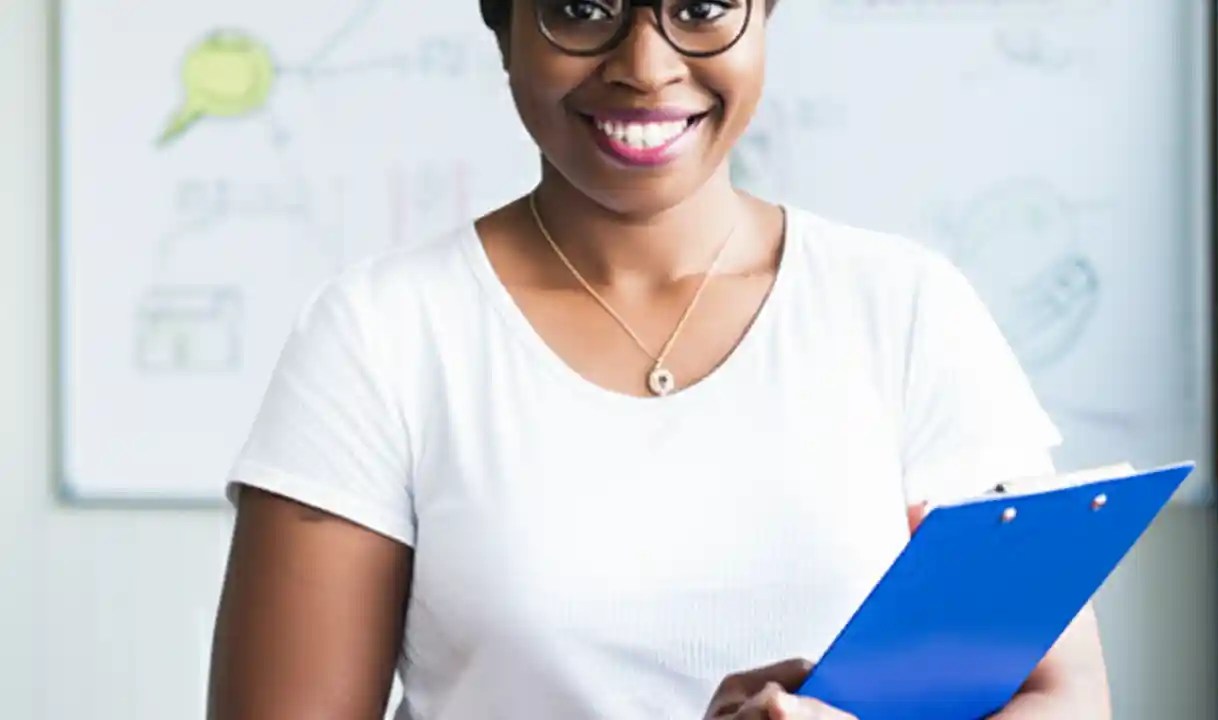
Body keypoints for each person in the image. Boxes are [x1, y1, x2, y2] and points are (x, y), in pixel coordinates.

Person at [207, 1, 1113, 718]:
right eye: (582, 6)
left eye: (704, 6)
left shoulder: (909, 310)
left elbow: (1060, 694)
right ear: (502, 22)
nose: (646, 66)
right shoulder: (379, 336)